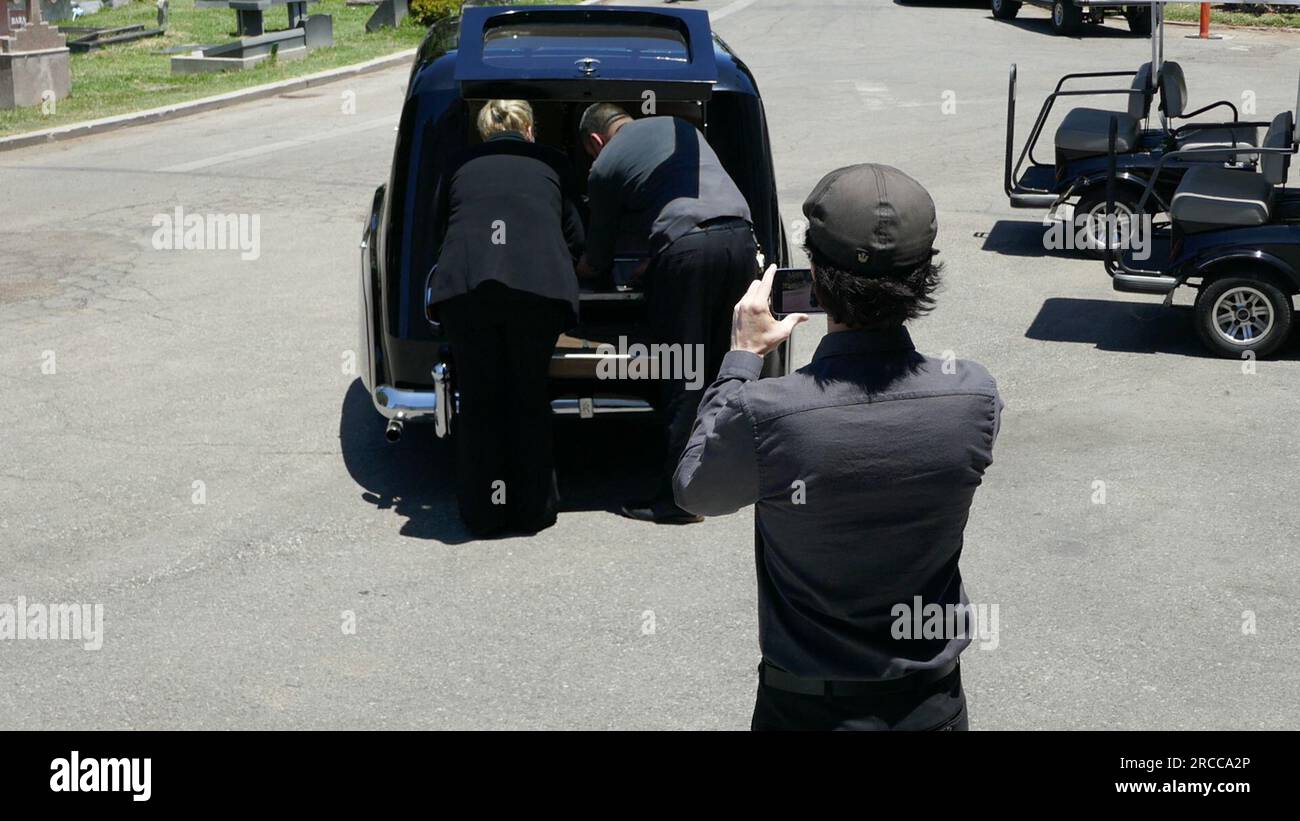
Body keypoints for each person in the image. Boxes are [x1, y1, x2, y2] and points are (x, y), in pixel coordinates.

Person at [673, 165, 1003, 730]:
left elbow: (694, 490)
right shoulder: (974, 394)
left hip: (808, 710)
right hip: (932, 705)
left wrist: (743, 359)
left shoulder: (769, 412)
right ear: (923, 277)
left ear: (817, 284)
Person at [576, 104, 758, 525]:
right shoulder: (678, 129)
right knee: (720, 368)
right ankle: (726, 478)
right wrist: (660, 261)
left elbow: (597, 262)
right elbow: (693, 214)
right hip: (741, 240)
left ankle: (679, 500)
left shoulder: (605, 164)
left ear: (595, 141)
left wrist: (567, 267)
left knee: (685, 373)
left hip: (690, 254)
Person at [428, 99, 585, 538]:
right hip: (536, 292)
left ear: (483, 133)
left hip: (468, 291)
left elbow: (437, 229)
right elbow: (576, 235)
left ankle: (483, 513)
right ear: (530, 129)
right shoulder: (551, 164)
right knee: (528, 397)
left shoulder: (459, 165)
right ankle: (533, 510)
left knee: (479, 401)